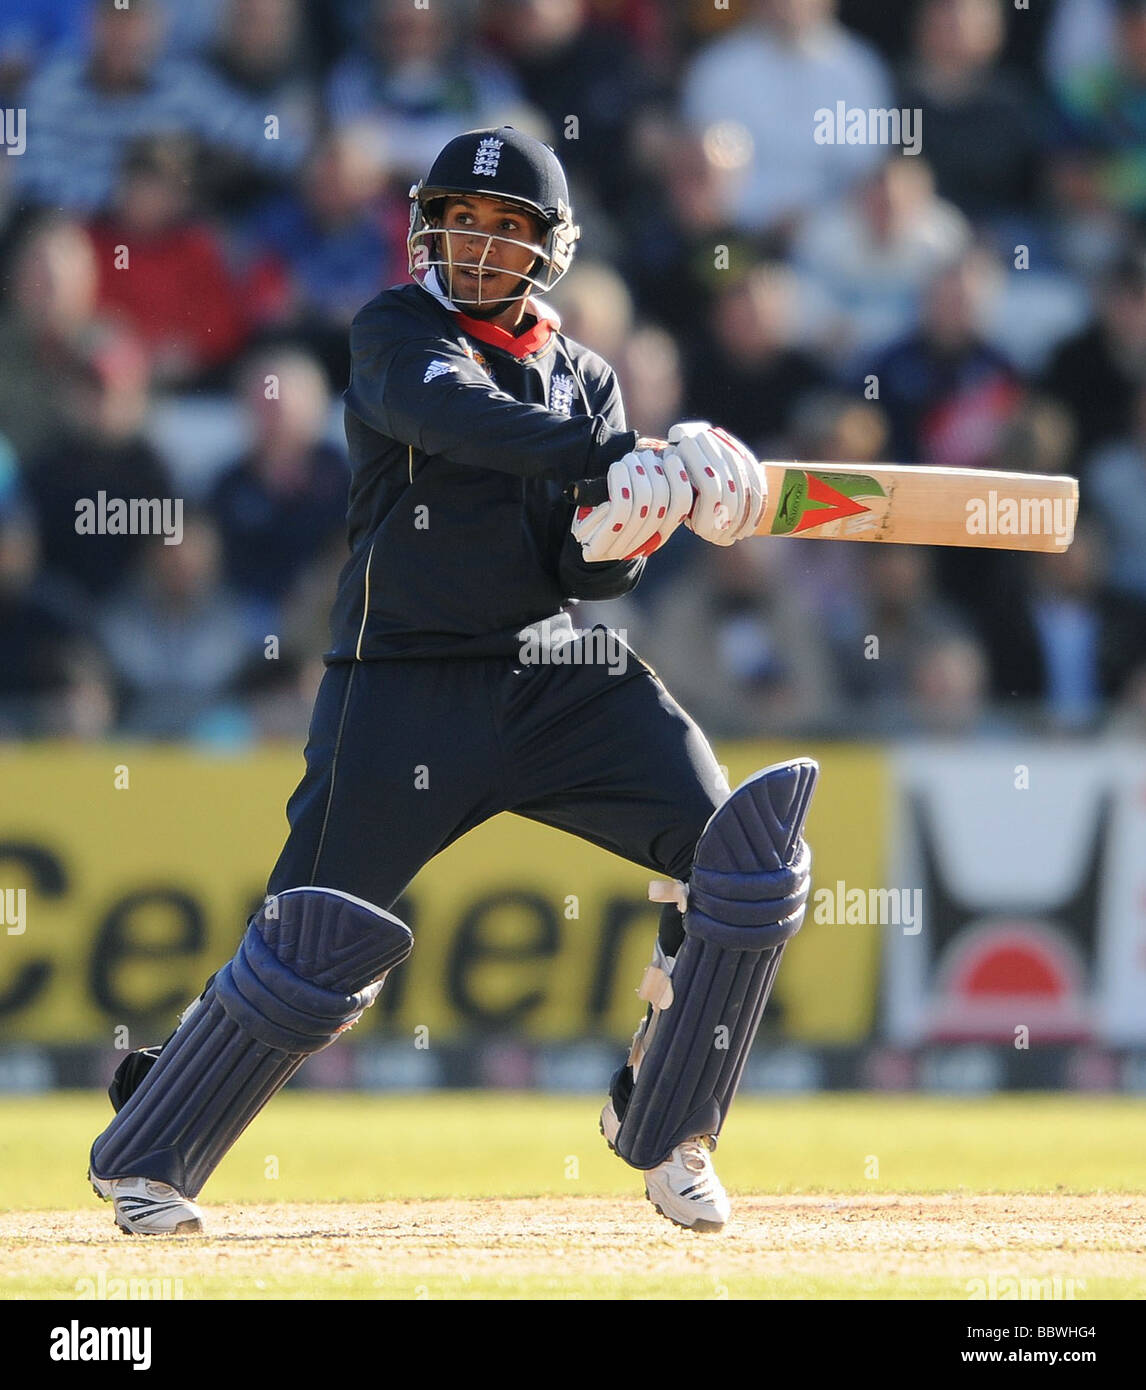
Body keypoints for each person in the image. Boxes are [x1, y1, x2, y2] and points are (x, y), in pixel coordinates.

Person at [87, 127, 815, 1236]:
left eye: (505, 229)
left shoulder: (587, 376)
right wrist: (609, 455)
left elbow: (587, 568)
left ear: (549, 247)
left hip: (554, 670)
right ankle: (150, 1146)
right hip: (403, 680)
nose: (476, 247)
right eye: (460, 222)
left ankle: (667, 1126)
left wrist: (652, 510)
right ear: (428, 228)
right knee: (308, 937)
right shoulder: (395, 331)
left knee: (744, 863)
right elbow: (454, 417)